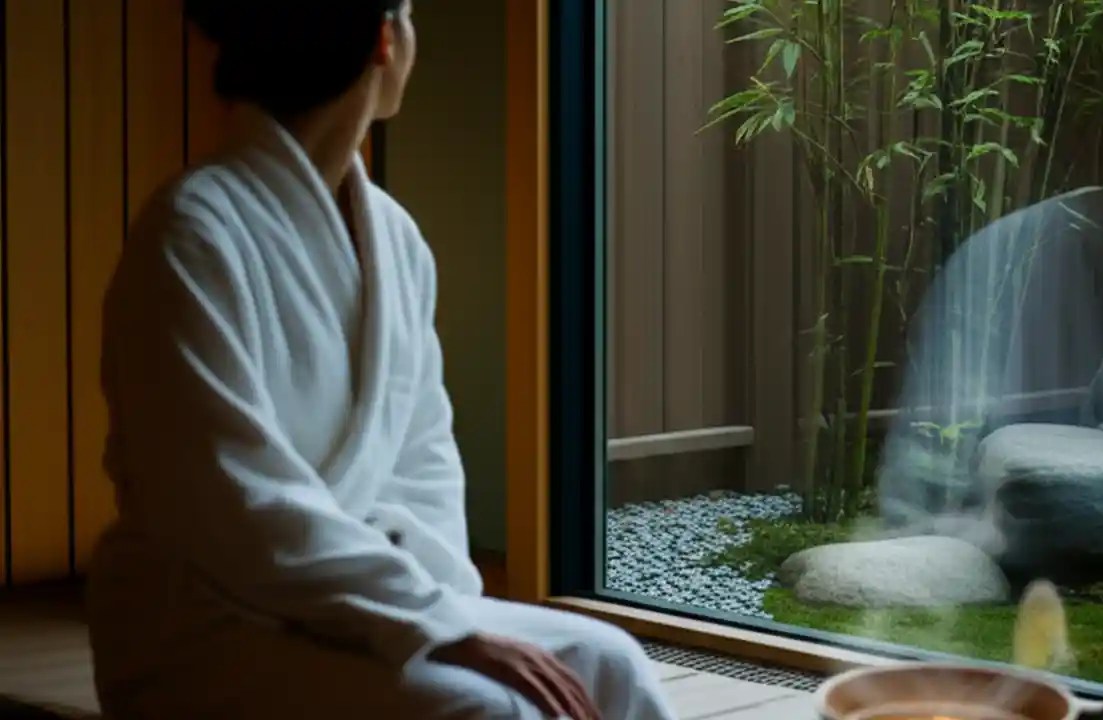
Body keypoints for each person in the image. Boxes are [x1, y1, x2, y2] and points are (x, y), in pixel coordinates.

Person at [85, 2, 679, 718]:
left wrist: (441, 610)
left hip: (365, 599)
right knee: (488, 711)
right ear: (383, 38)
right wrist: (434, 625)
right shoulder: (192, 232)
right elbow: (230, 505)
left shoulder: (393, 238)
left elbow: (422, 461)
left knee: (614, 665)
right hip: (207, 621)